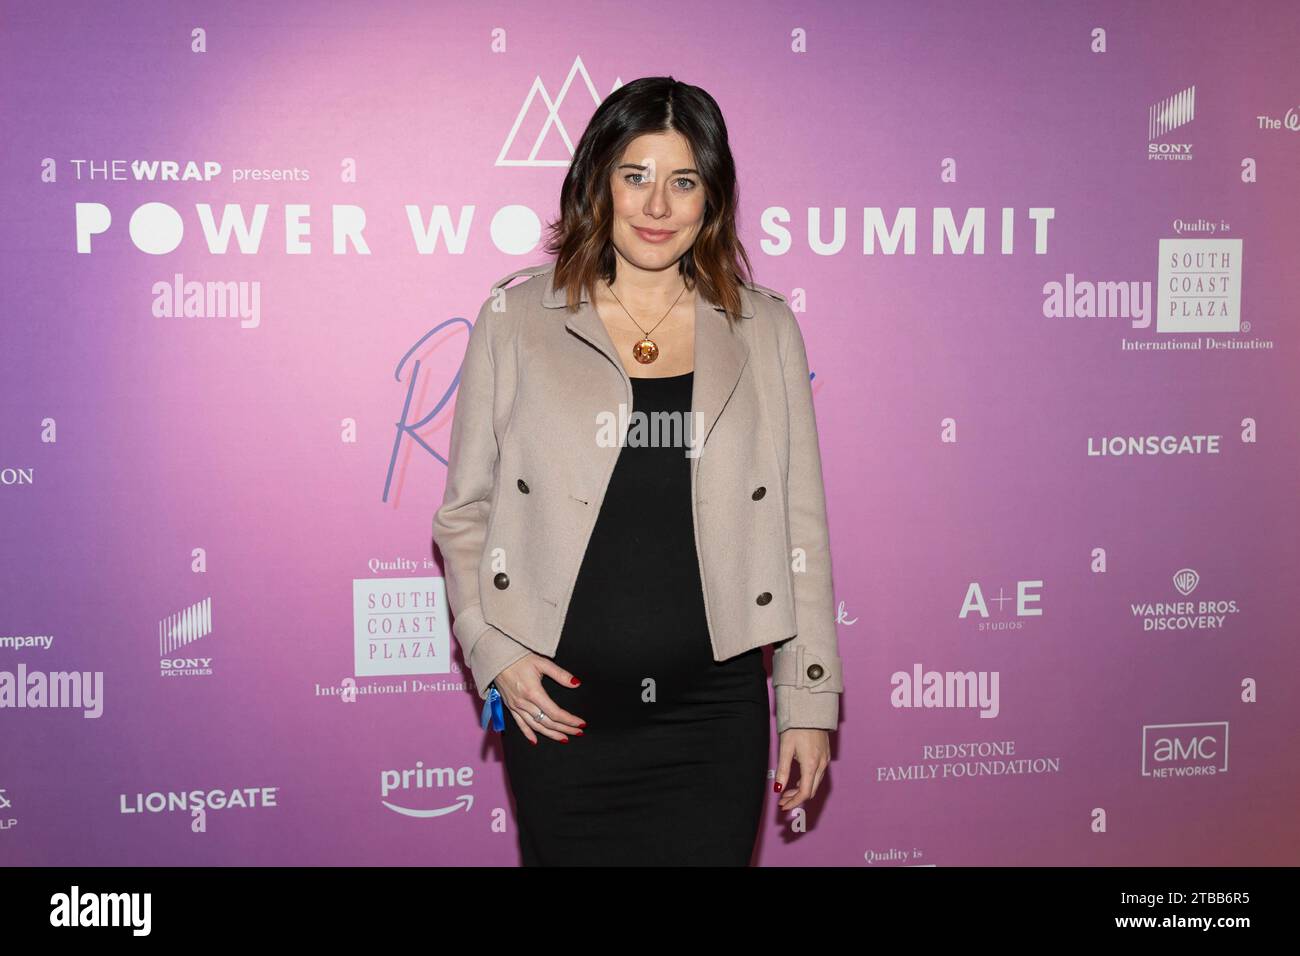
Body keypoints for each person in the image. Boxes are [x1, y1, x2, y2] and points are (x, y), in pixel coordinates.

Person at [432, 76, 844, 866]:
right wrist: (493, 650)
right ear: (599, 184)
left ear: (711, 199)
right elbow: (465, 513)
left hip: (711, 716)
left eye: (683, 180)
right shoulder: (517, 319)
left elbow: (799, 526)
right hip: (561, 712)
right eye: (636, 176)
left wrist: (807, 701)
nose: (658, 206)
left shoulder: (765, 329)